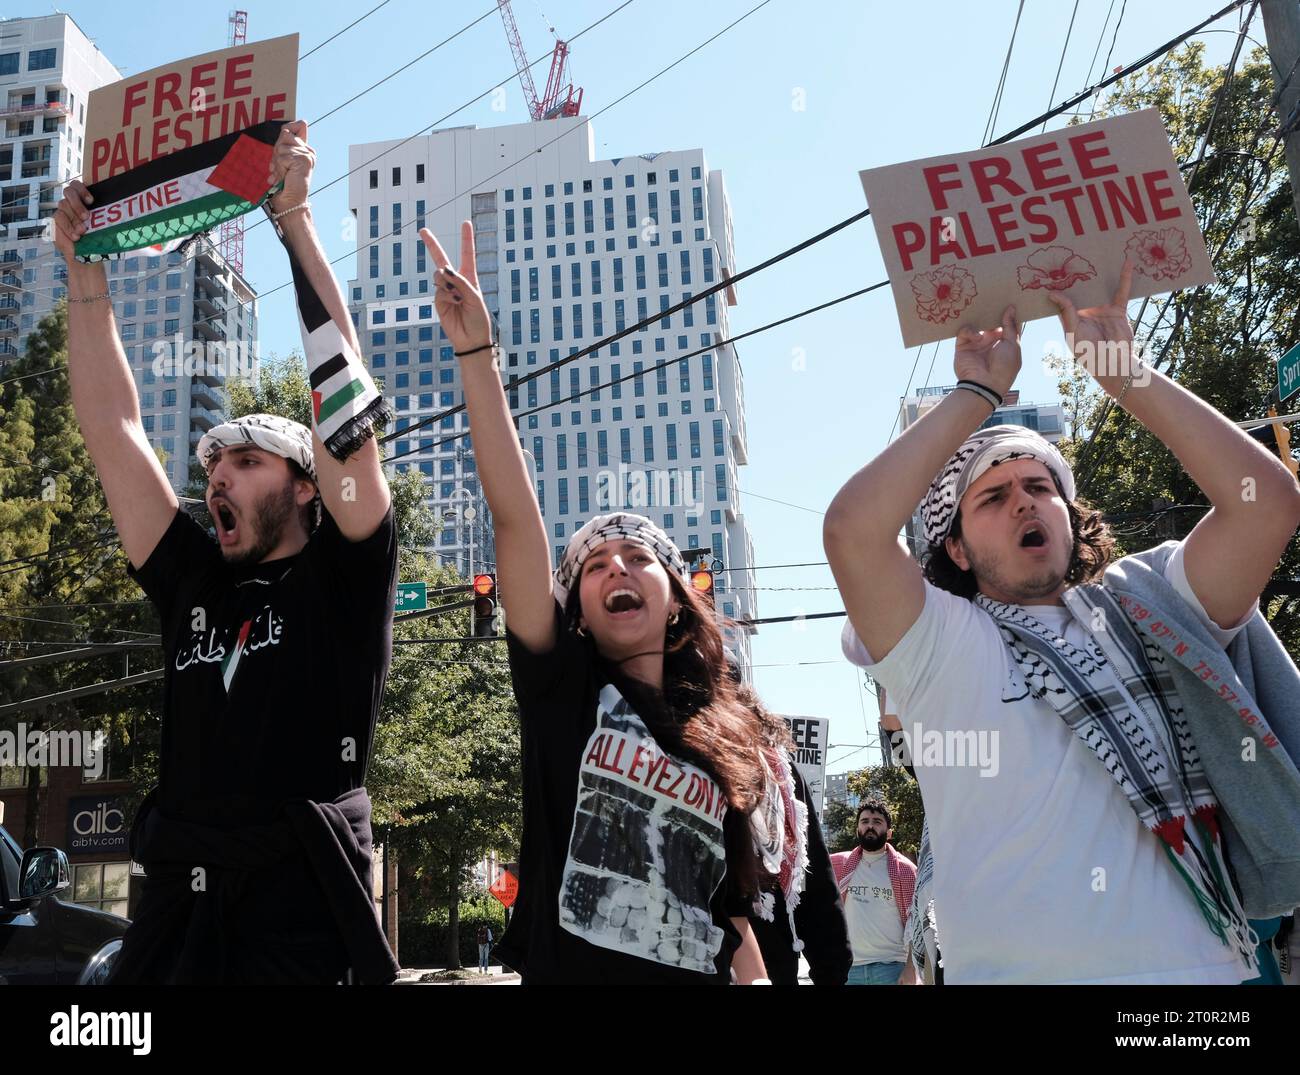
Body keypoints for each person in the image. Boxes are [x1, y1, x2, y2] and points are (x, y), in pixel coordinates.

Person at [824, 263, 1300, 984]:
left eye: (1040, 486)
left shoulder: (1147, 606)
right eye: (993, 497)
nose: (1024, 502)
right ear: (953, 546)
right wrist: (976, 393)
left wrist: (1124, 371)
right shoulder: (942, 643)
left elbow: (1265, 501)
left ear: (1071, 519)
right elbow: (854, 530)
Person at [54, 121, 400, 984]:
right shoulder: (194, 581)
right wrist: (85, 272)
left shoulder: (344, 579)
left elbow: (348, 413)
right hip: (177, 919)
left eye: (247, 462)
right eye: (212, 468)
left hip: (299, 923)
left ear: (308, 483)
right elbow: (114, 431)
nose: (218, 482)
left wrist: (295, 219)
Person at [420, 220, 795, 984]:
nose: (615, 566)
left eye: (636, 557)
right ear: (578, 610)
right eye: (593, 564)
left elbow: (727, 915)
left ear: (675, 601)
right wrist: (476, 355)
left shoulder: (722, 732)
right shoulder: (565, 690)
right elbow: (518, 519)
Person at [829, 801, 916, 984]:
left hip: (891, 968)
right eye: (865, 821)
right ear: (857, 829)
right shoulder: (836, 865)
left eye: (877, 821)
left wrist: (911, 969)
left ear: (889, 832)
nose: (870, 826)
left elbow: (916, 924)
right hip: (848, 970)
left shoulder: (906, 870)